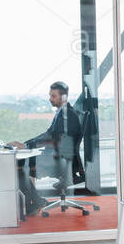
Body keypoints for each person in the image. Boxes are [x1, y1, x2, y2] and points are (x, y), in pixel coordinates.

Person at [10, 81, 84, 215]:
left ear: (63, 97)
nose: (50, 99)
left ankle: (34, 203)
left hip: (62, 162)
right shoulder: (62, 113)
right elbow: (49, 134)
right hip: (60, 157)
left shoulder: (67, 116)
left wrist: (27, 146)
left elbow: (54, 139)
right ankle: (35, 201)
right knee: (22, 163)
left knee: (20, 165)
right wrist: (26, 144)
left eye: (53, 96)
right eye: (50, 95)